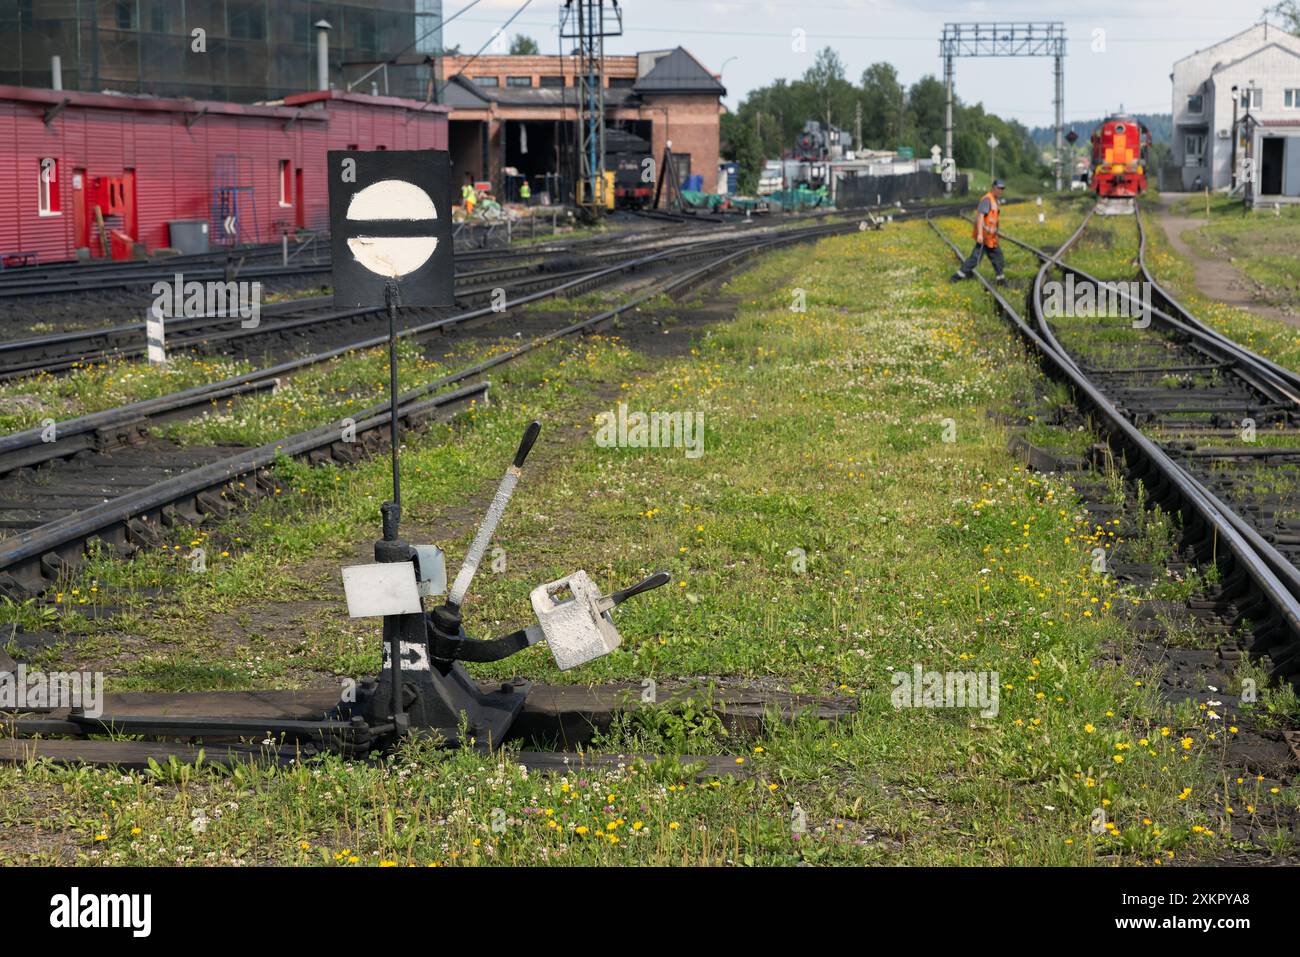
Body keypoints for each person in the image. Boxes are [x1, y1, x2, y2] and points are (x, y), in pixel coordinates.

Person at [950, 179, 1006, 284]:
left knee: (999, 259)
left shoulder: (995, 200)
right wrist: (980, 234)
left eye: (1002, 189)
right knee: (975, 260)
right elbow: (980, 217)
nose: (1000, 190)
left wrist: (996, 232)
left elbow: (993, 220)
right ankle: (955, 278)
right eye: (998, 188)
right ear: (993, 187)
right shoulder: (987, 199)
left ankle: (1001, 281)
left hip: (991, 239)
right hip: (984, 238)